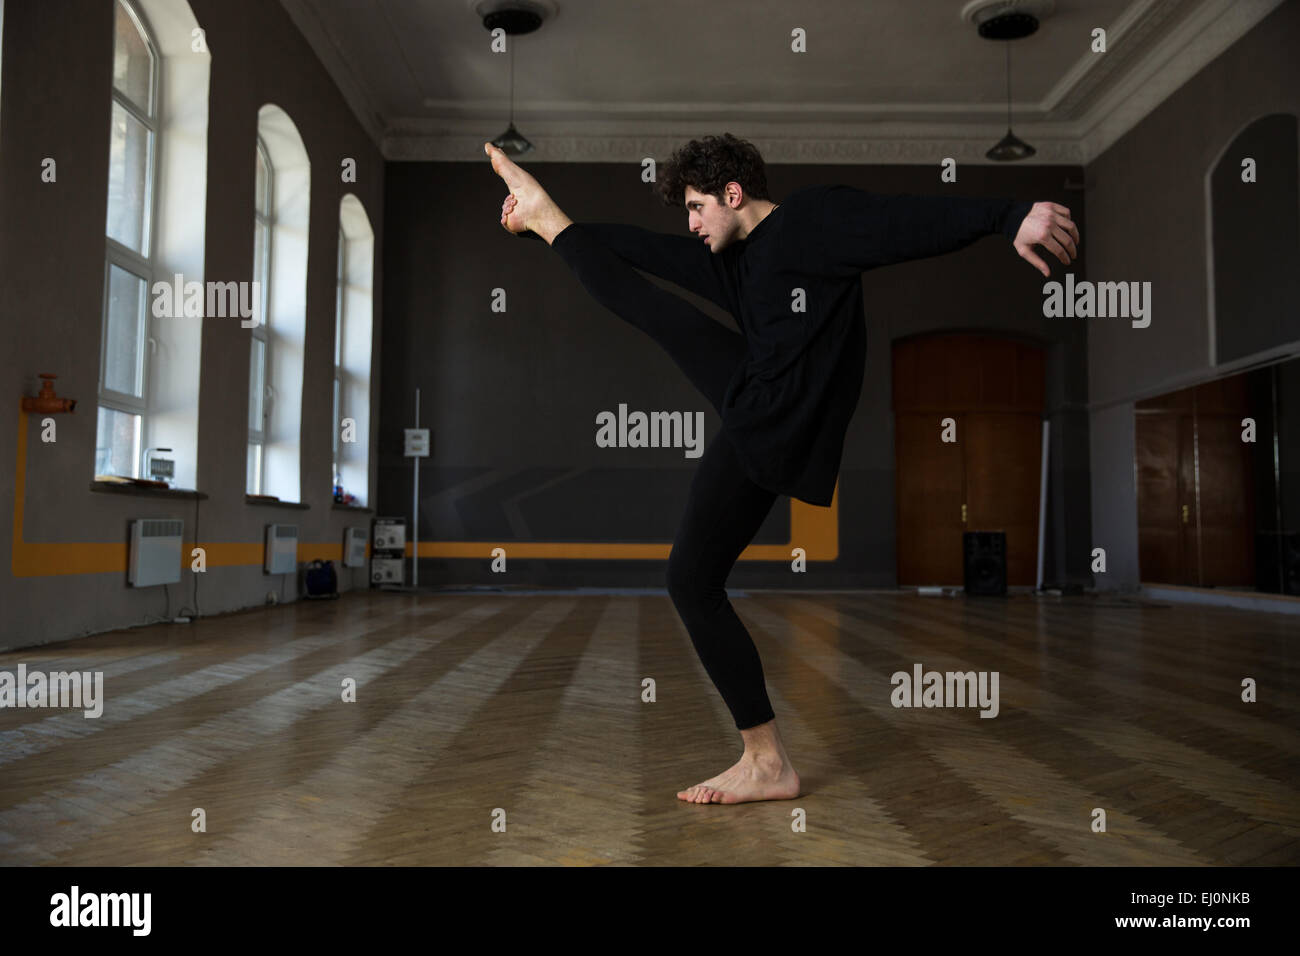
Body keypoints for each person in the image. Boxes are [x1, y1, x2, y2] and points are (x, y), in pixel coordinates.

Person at [484, 135, 1079, 805]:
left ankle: (766, 762)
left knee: (688, 578)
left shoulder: (814, 222)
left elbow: (905, 221)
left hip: (779, 419)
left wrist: (1008, 216)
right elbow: (647, 252)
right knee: (650, 306)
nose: (691, 221)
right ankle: (548, 217)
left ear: (733, 195)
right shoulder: (736, 261)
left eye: (696, 206)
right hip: (756, 390)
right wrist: (545, 227)